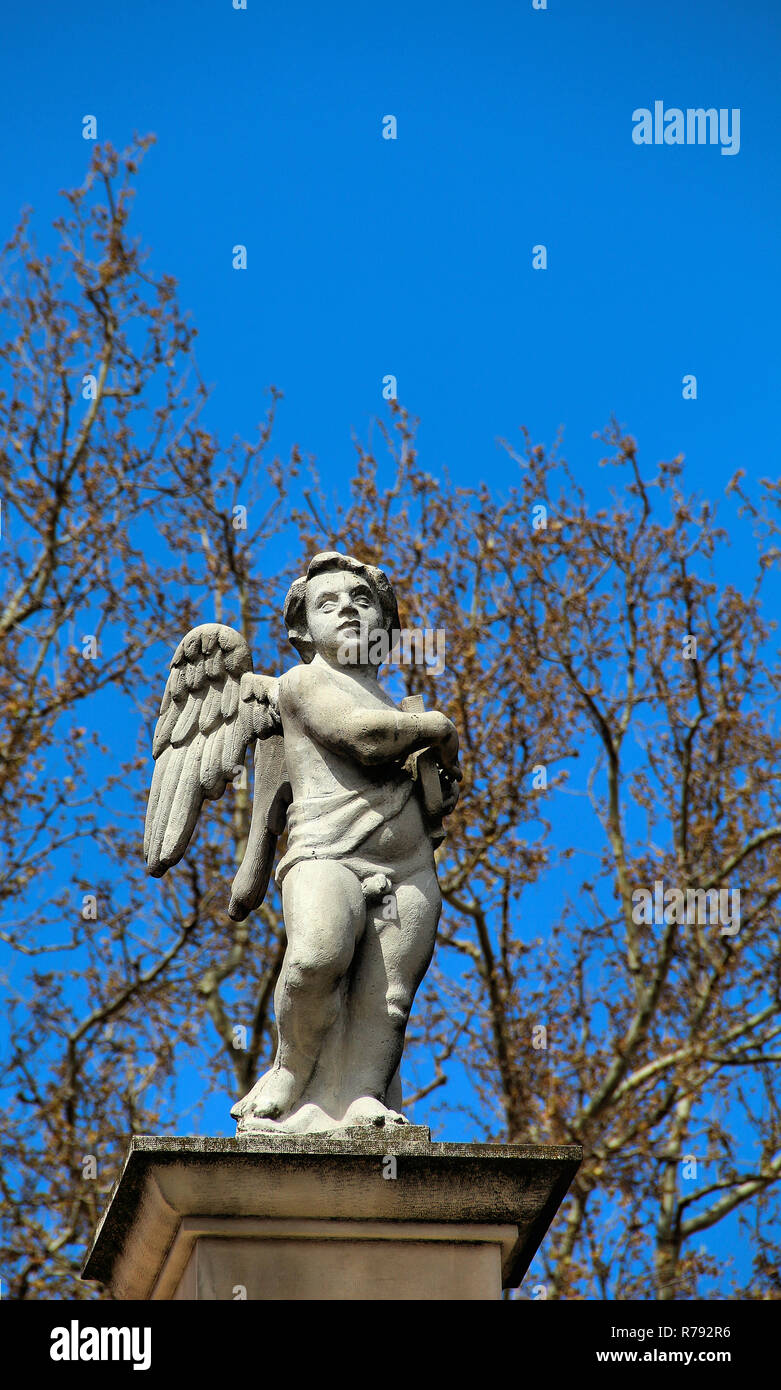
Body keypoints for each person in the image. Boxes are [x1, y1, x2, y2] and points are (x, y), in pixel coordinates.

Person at [231, 550, 460, 1130]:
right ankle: (288, 1067)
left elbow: (413, 774)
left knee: (389, 999)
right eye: (328, 604)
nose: (349, 611)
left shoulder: (393, 701)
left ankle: (364, 1096)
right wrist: (436, 727)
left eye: (362, 601)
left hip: (409, 867)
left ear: (385, 621)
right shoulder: (302, 684)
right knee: (315, 957)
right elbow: (362, 738)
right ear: (302, 629)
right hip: (324, 855)